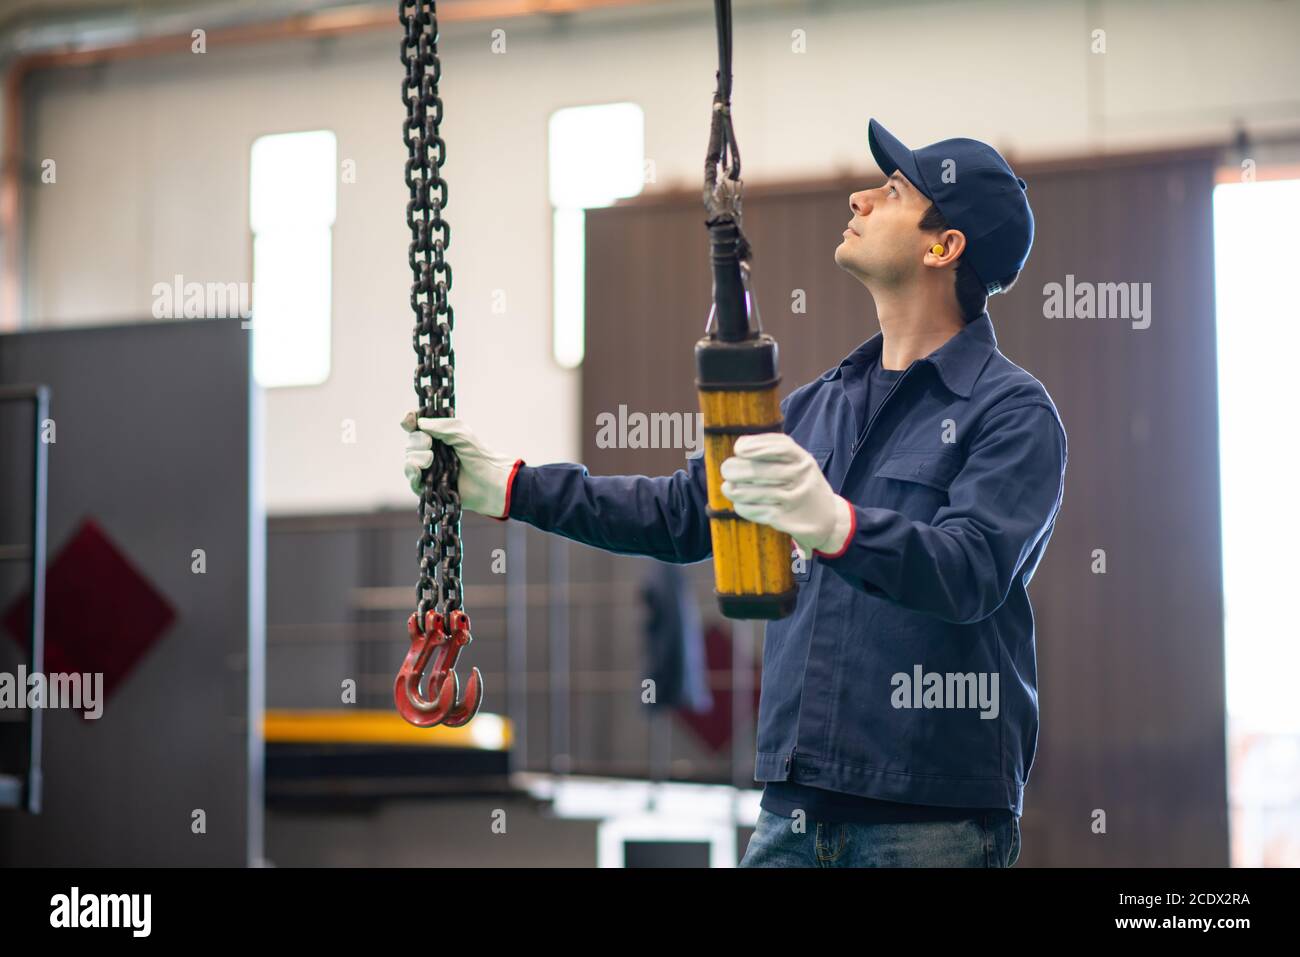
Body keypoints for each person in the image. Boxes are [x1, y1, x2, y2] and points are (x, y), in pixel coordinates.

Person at [402, 118, 1066, 868]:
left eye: (891, 191)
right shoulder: (815, 408)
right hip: (790, 817)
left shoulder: (1012, 413)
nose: (860, 197)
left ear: (944, 247)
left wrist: (837, 525)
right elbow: (684, 514)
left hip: (930, 828)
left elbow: (971, 569)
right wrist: (508, 486)